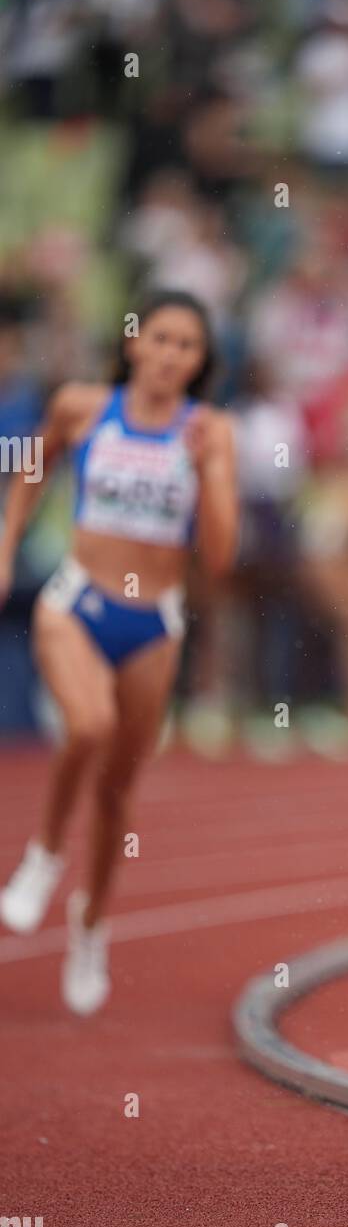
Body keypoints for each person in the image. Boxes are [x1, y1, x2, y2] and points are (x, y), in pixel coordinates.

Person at [0, 290, 237, 1014]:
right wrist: (6, 548)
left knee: (116, 793)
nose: (169, 355)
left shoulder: (208, 430)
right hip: (76, 602)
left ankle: (91, 925)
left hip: (153, 624)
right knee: (89, 726)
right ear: (133, 341)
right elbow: (32, 471)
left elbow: (220, 559)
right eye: (159, 338)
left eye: (186, 346)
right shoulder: (81, 406)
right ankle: (42, 854)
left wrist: (206, 473)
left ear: (200, 362)